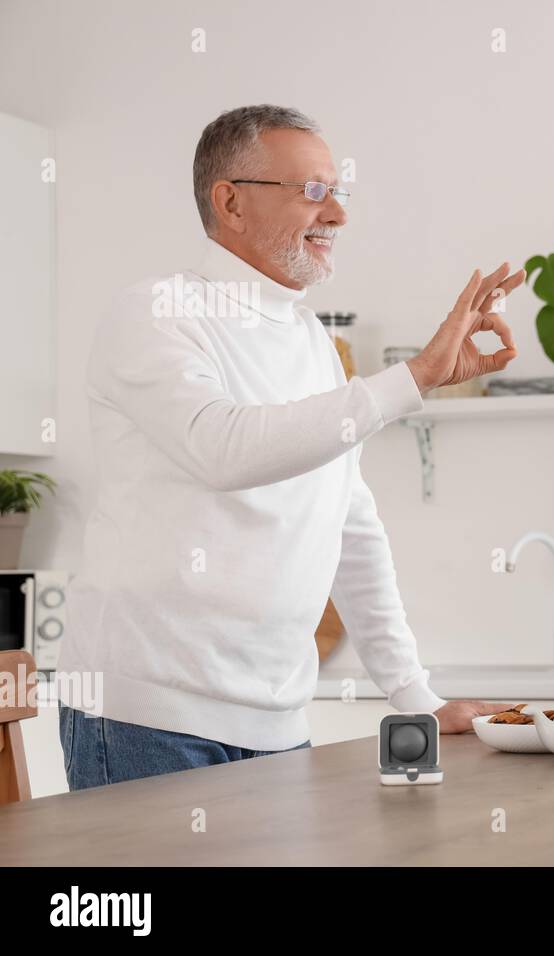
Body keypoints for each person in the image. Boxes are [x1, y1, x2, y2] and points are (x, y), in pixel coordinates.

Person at [58, 104, 516, 789]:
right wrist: (414, 378)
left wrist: (415, 694)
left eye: (337, 191)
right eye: (311, 191)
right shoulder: (155, 312)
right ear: (231, 202)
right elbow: (223, 449)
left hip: (276, 722)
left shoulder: (311, 344)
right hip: (145, 718)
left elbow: (350, 528)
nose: (337, 214)